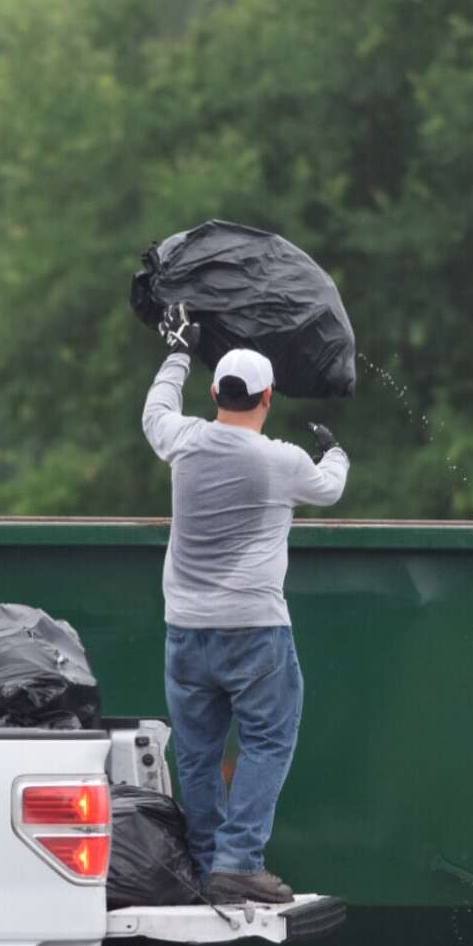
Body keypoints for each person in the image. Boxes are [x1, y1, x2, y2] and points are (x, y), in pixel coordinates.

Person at [140, 303, 349, 904]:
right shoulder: (280, 461)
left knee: (200, 753)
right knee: (268, 741)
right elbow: (331, 488)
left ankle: (209, 869)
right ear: (268, 398)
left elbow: (156, 410)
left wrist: (178, 349)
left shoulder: (182, 443)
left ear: (214, 392)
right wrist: (334, 451)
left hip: (185, 630)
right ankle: (239, 861)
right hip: (255, 632)